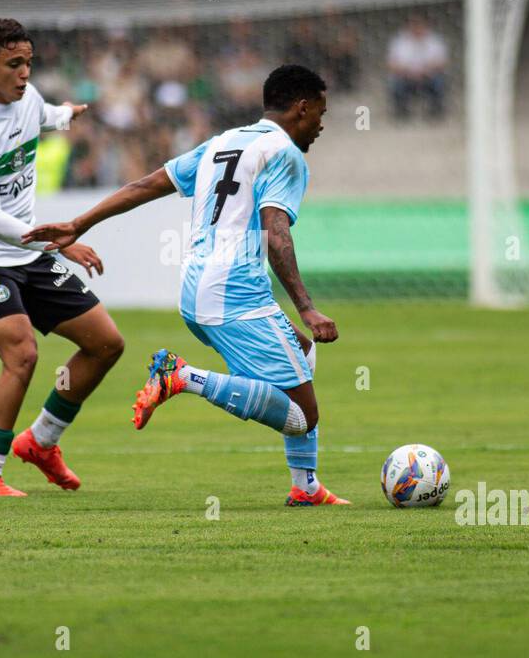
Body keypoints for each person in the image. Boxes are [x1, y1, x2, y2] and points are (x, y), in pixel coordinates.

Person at [24, 65, 348, 507]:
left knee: (303, 356)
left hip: (197, 290)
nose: (321, 125)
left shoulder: (223, 142)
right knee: (301, 416)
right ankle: (181, 376)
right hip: (236, 296)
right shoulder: (286, 155)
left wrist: (79, 224)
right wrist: (307, 307)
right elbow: (276, 232)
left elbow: (146, 184)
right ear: (301, 107)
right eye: (320, 114)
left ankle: (306, 488)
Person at [0, 18, 125, 498]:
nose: (24, 74)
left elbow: (41, 114)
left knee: (106, 344)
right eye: (14, 64)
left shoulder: (26, 96)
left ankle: (41, 441)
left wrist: (65, 115)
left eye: (29, 63)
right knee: (22, 353)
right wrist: (58, 242)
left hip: (27, 249)